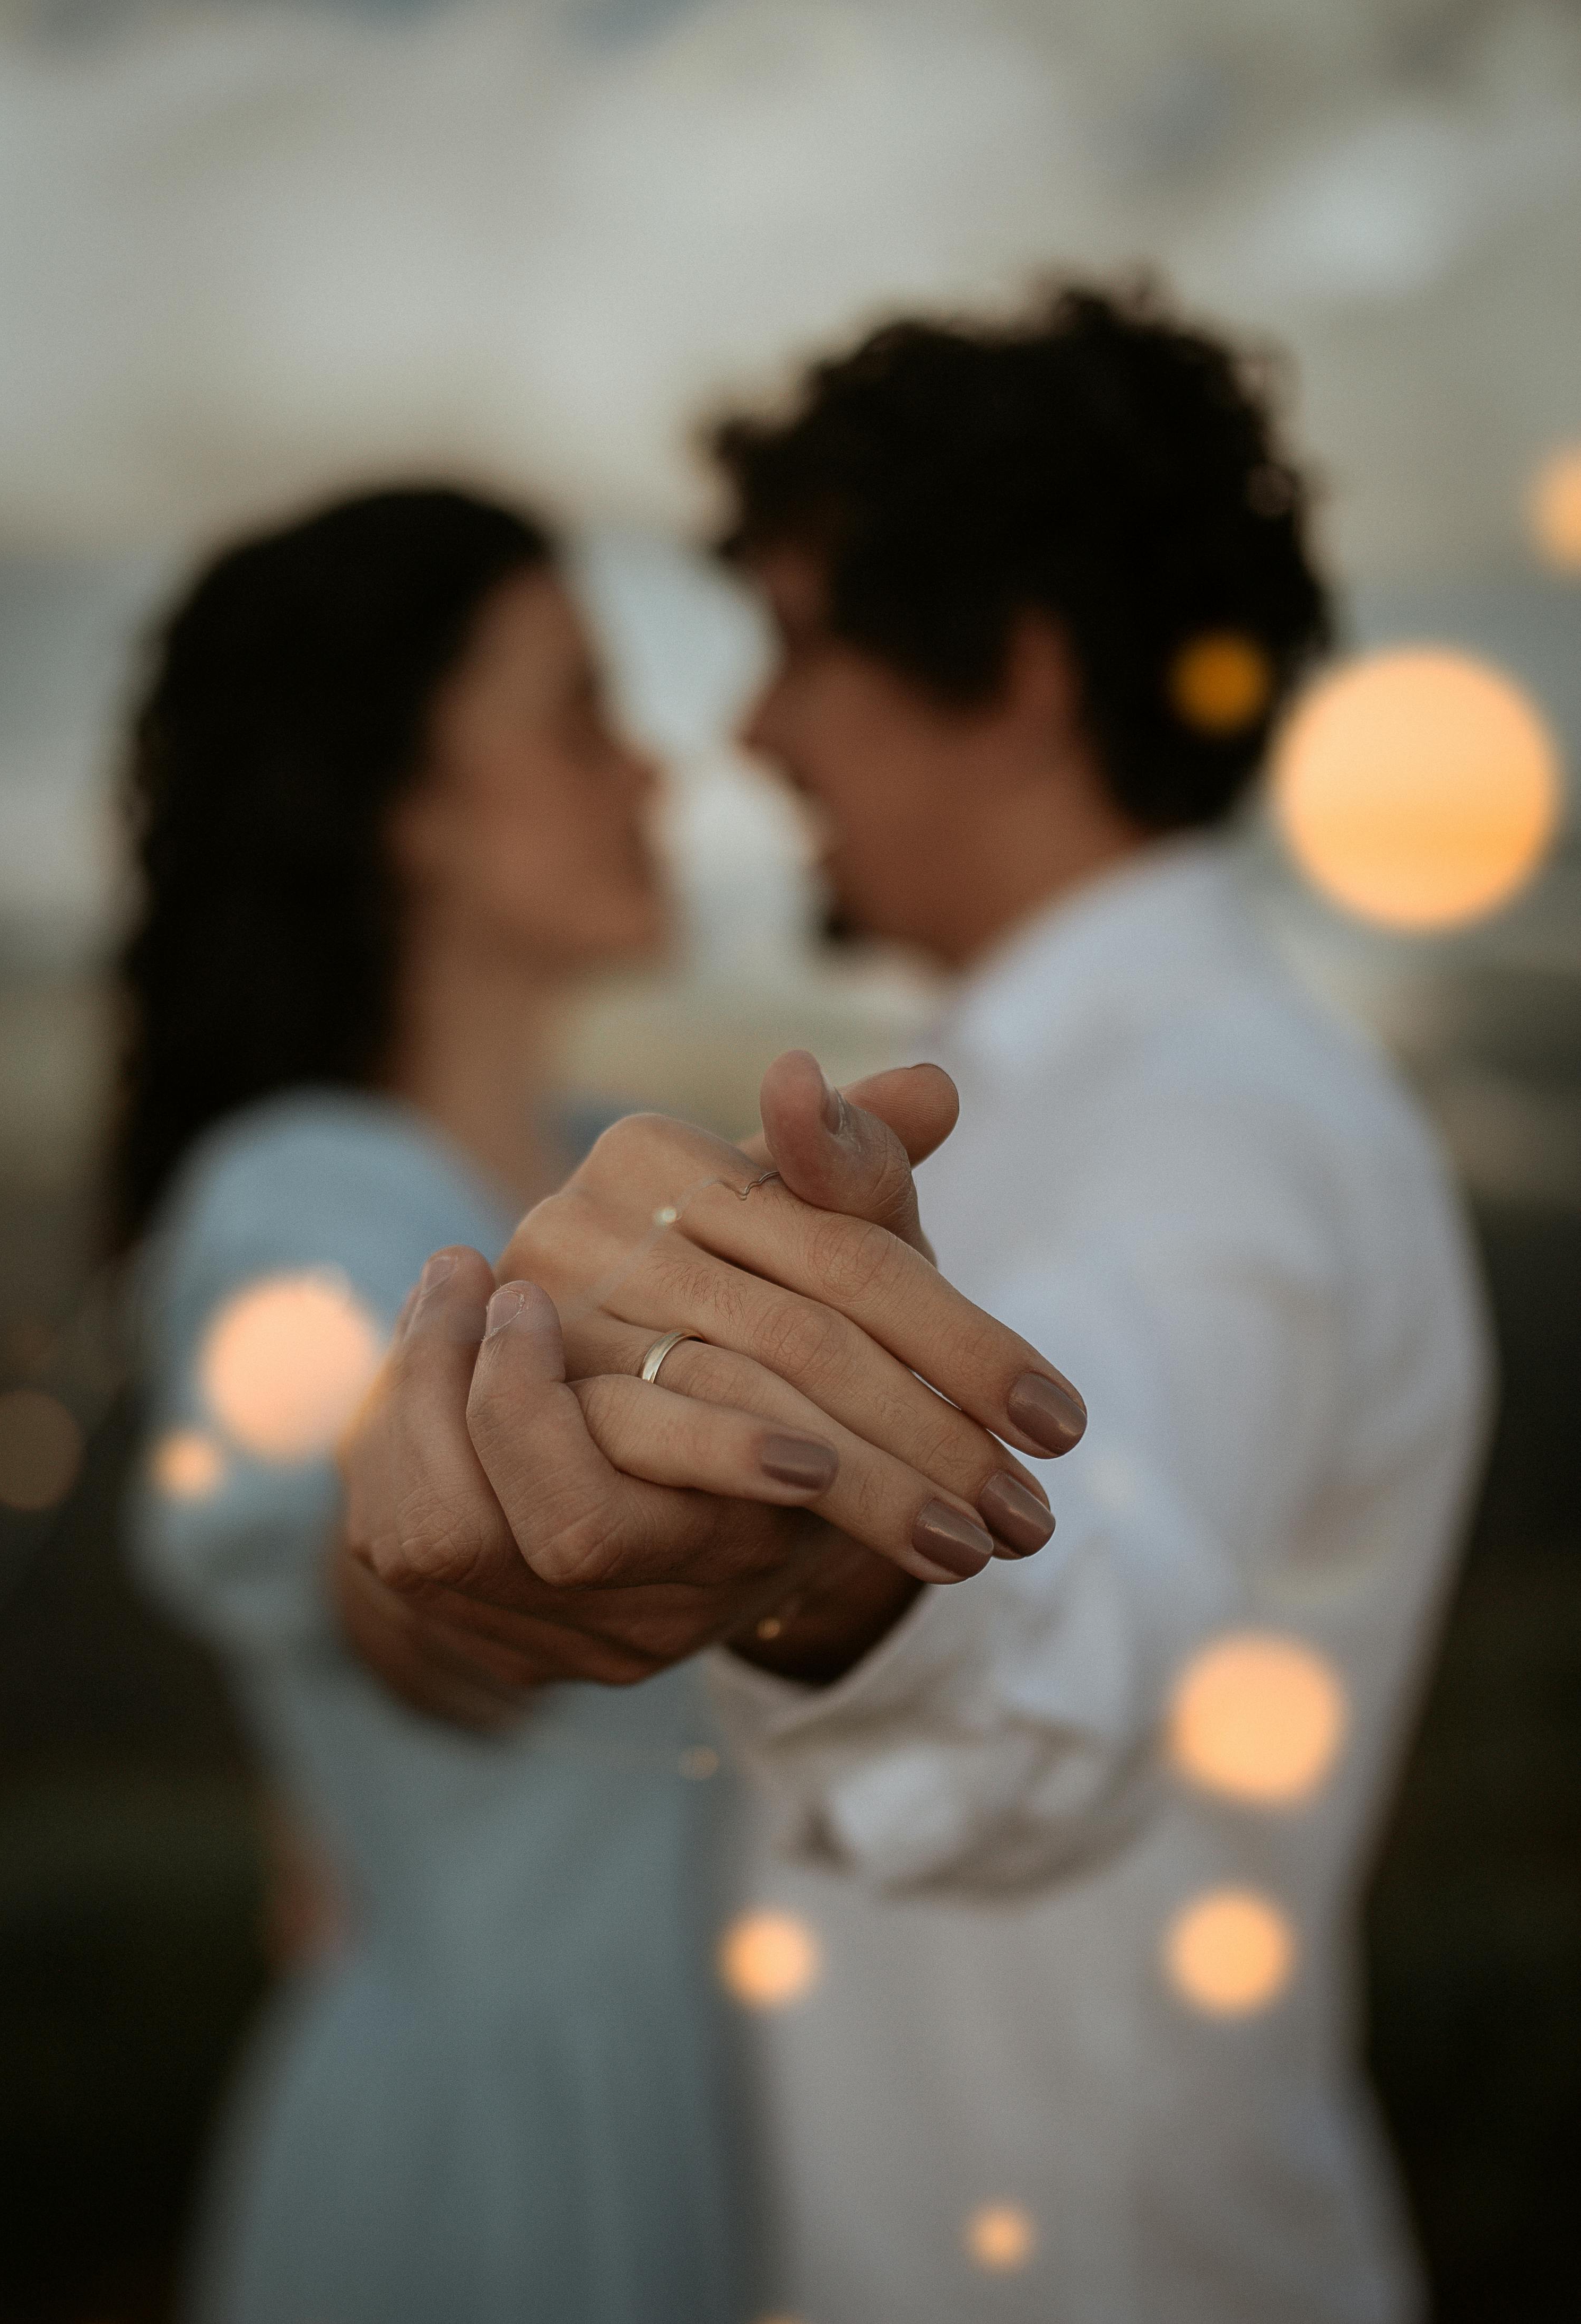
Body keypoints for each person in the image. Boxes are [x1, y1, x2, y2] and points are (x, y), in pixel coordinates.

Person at [340, 286, 1492, 2324]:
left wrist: (844, 1573)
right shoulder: (1036, 1090)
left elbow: (1103, 1604)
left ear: (1021, 678)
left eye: (803, 639)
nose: (754, 731)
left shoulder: (1226, 1130)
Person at [117, 486, 1071, 2324]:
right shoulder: (296, 1201)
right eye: (577, 717)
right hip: (485, 2180)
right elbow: (393, 1557)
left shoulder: (589, 1180)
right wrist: (511, 1572)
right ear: (403, 806)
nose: (653, 774)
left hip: (703, 2121)